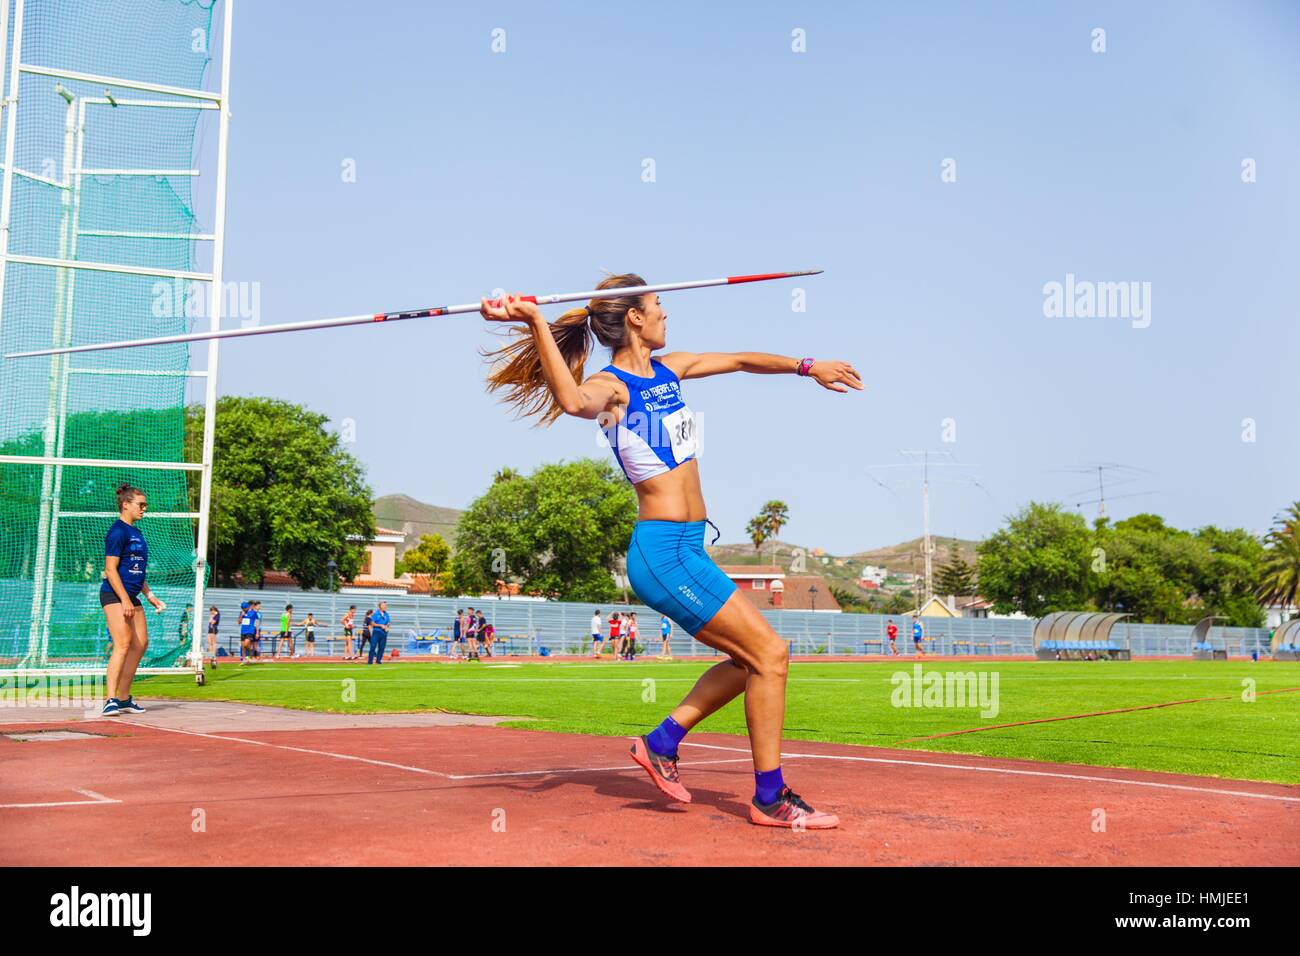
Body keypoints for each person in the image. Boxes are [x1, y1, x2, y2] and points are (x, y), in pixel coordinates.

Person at [481, 274, 861, 828]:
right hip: (662, 554)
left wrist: (807, 367)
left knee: (749, 661)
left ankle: (661, 742)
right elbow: (569, 399)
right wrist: (536, 320)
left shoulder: (671, 369)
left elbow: (738, 361)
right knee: (771, 656)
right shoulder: (612, 387)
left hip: (690, 548)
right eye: (659, 305)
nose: (665, 314)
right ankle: (769, 799)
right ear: (635, 317)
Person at [99, 483, 165, 716]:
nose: (144, 509)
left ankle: (125, 698)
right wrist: (125, 599)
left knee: (141, 644)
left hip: (132, 595)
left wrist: (150, 595)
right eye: (140, 504)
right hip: (114, 594)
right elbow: (110, 569)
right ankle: (110, 699)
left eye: (145, 505)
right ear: (126, 505)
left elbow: (137, 570)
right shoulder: (117, 531)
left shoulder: (137, 533)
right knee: (123, 644)